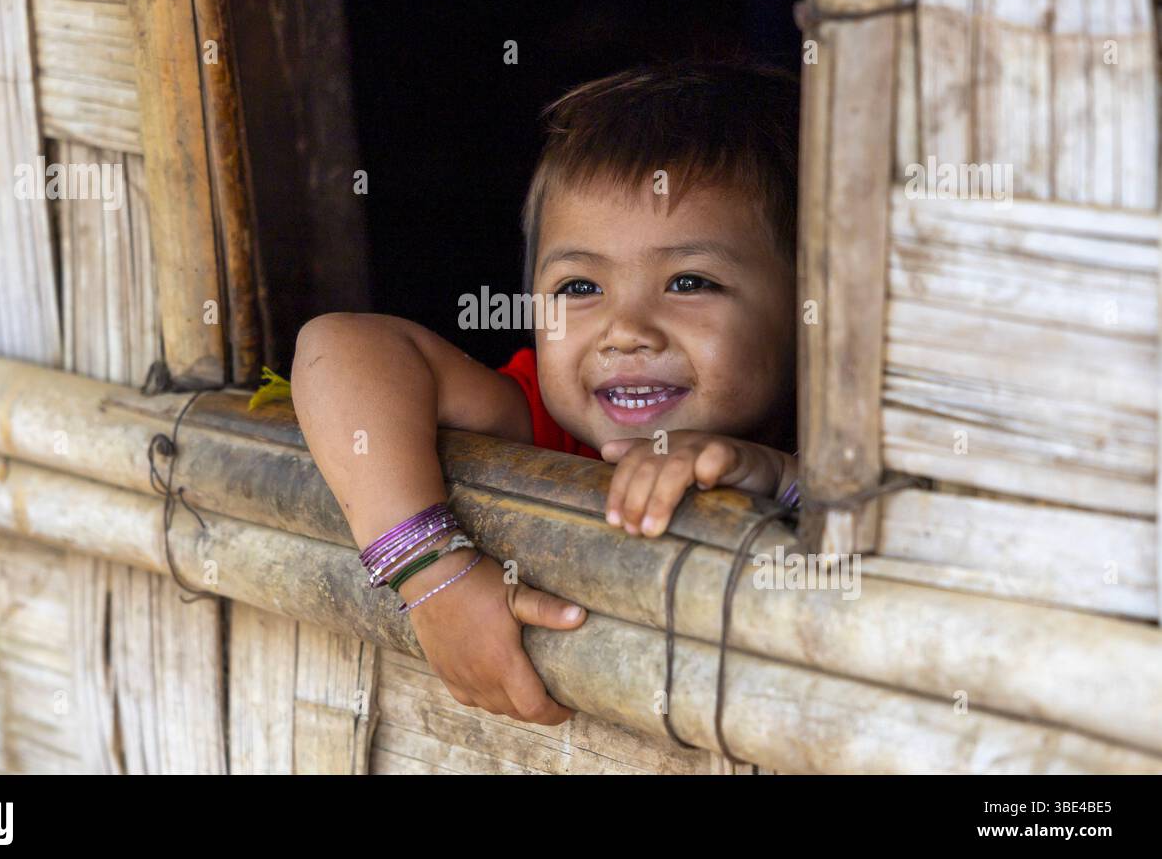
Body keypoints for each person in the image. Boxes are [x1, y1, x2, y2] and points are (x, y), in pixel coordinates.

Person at [290, 59, 800, 726]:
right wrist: (429, 570)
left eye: (689, 282)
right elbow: (339, 348)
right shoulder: (536, 421)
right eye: (579, 287)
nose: (625, 332)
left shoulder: (846, 431)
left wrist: (782, 479)